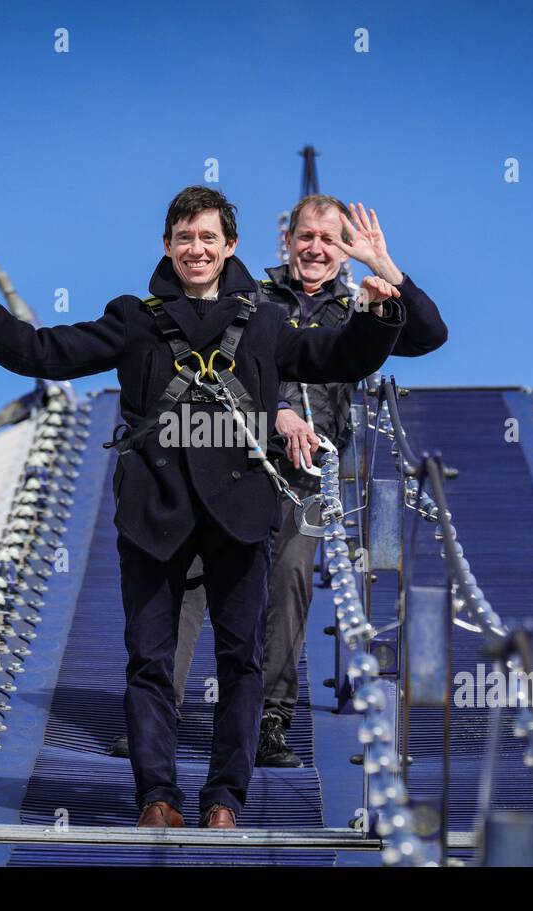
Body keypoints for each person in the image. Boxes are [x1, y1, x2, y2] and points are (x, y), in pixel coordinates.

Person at [0, 186, 406, 829]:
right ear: (167, 247)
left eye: (208, 238)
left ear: (230, 246)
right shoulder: (134, 319)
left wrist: (377, 315)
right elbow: (47, 353)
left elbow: (334, 356)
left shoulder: (264, 322)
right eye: (184, 238)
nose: (196, 249)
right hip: (155, 515)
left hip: (239, 513)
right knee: (149, 662)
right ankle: (156, 797)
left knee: (241, 661)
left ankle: (225, 801)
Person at [114, 194, 447, 769]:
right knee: (190, 578)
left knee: (290, 577)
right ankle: (157, 714)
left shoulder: (359, 304)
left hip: (307, 476)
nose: (316, 248)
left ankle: (270, 719)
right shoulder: (252, 296)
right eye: (306, 237)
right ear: (288, 241)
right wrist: (279, 412)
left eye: (331, 240)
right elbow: (223, 351)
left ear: (344, 250)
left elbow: (427, 336)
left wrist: (383, 268)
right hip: (235, 462)